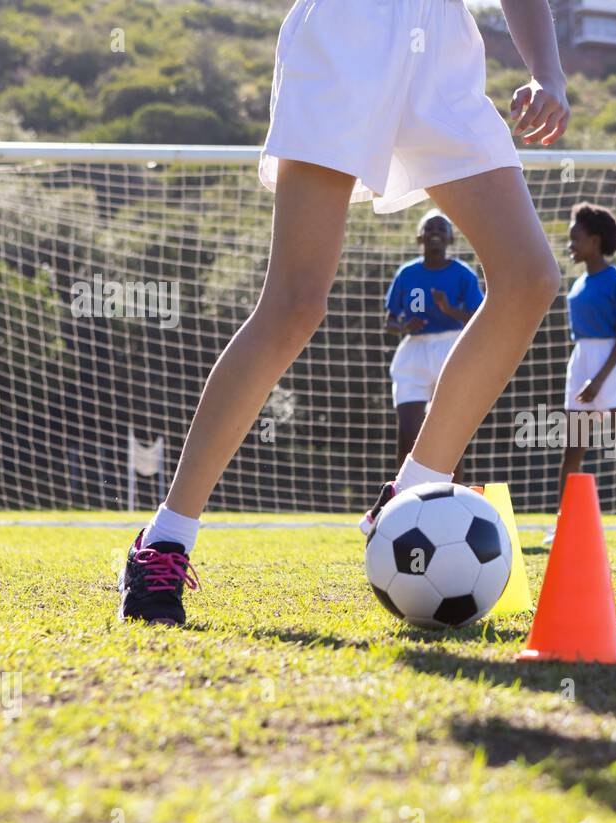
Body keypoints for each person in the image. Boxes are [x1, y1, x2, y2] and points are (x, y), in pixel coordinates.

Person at [119, 0, 568, 625]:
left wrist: (548, 72)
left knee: (529, 279)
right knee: (295, 305)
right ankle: (163, 542)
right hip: (348, 33)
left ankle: (410, 494)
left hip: (442, 48)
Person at [547, 202, 616, 548]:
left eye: (575, 238)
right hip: (582, 361)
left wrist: (600, 380)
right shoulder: (576, 285)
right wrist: (586, 377)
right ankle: (562, 523)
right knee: (573, 449)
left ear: (595, 240)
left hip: (613, 366)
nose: (570, 245)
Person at [384, 208, 483, 484]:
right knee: (408, 432)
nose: (435, 233)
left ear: (451, 238)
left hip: (451, 348)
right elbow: (389, 320)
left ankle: (453, 495)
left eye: (441, 229)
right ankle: (402, 496)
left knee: (450, 432)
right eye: (430, 228)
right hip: (413, 351)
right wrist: (404, 327)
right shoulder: (407, 274)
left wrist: (449, 310)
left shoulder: (463, 274)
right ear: (420, 237)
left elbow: (480, 316)